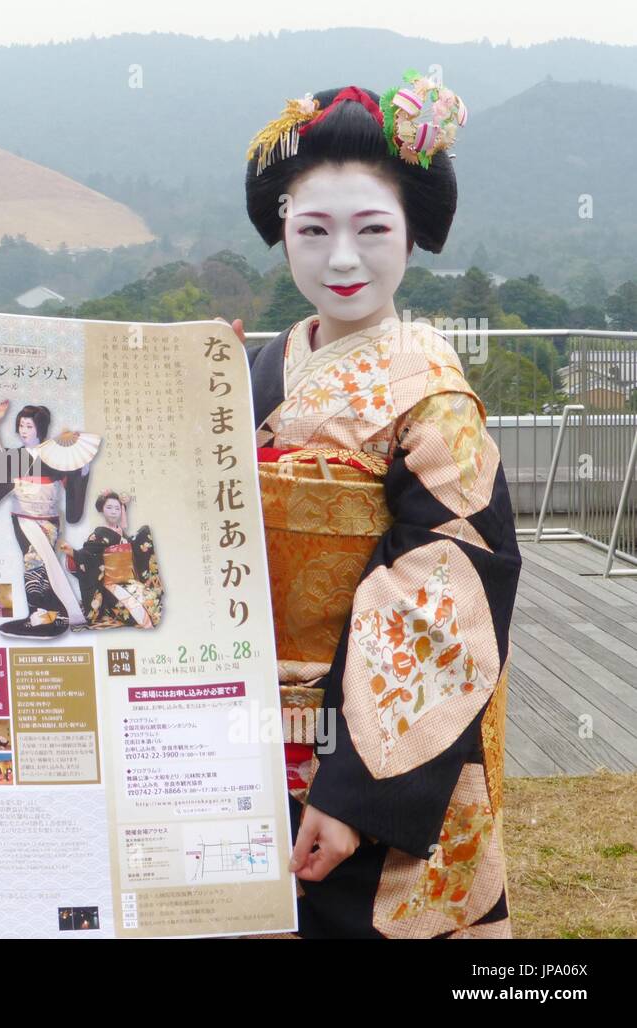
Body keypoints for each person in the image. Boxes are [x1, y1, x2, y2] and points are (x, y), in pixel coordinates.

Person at [242, 72, 518, 938]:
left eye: (372, 230)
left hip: (373, 735)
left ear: (412, 236)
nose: (343, 259)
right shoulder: (262, 367)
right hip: (244, 713)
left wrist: (356, 791)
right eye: (313, 230)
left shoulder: (433, 399)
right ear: (281, 230)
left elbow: (446, 591)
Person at [0, 401, 92, 638]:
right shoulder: (15, 456)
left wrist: (81, 460)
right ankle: (47, 615)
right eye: (21, 425)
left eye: (29, 426)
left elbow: (73, 479)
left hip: (47, 520)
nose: (23, 430)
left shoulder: (55, 456)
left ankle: (47, 615)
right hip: (22, 519)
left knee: (40, 564)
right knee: (33, 563)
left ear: (40, 428)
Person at [60, 491, 163, 630]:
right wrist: (72, 552)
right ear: (102, 509)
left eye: (117, 508)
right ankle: (108, 607)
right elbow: (88, 555)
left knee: (152, 601)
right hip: (111, 585)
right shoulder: (99, 534)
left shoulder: (121, 532)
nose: (114, 512)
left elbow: (135, 548)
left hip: (129, 581)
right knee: (137, 610)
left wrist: (144, 535)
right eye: (109, 508)